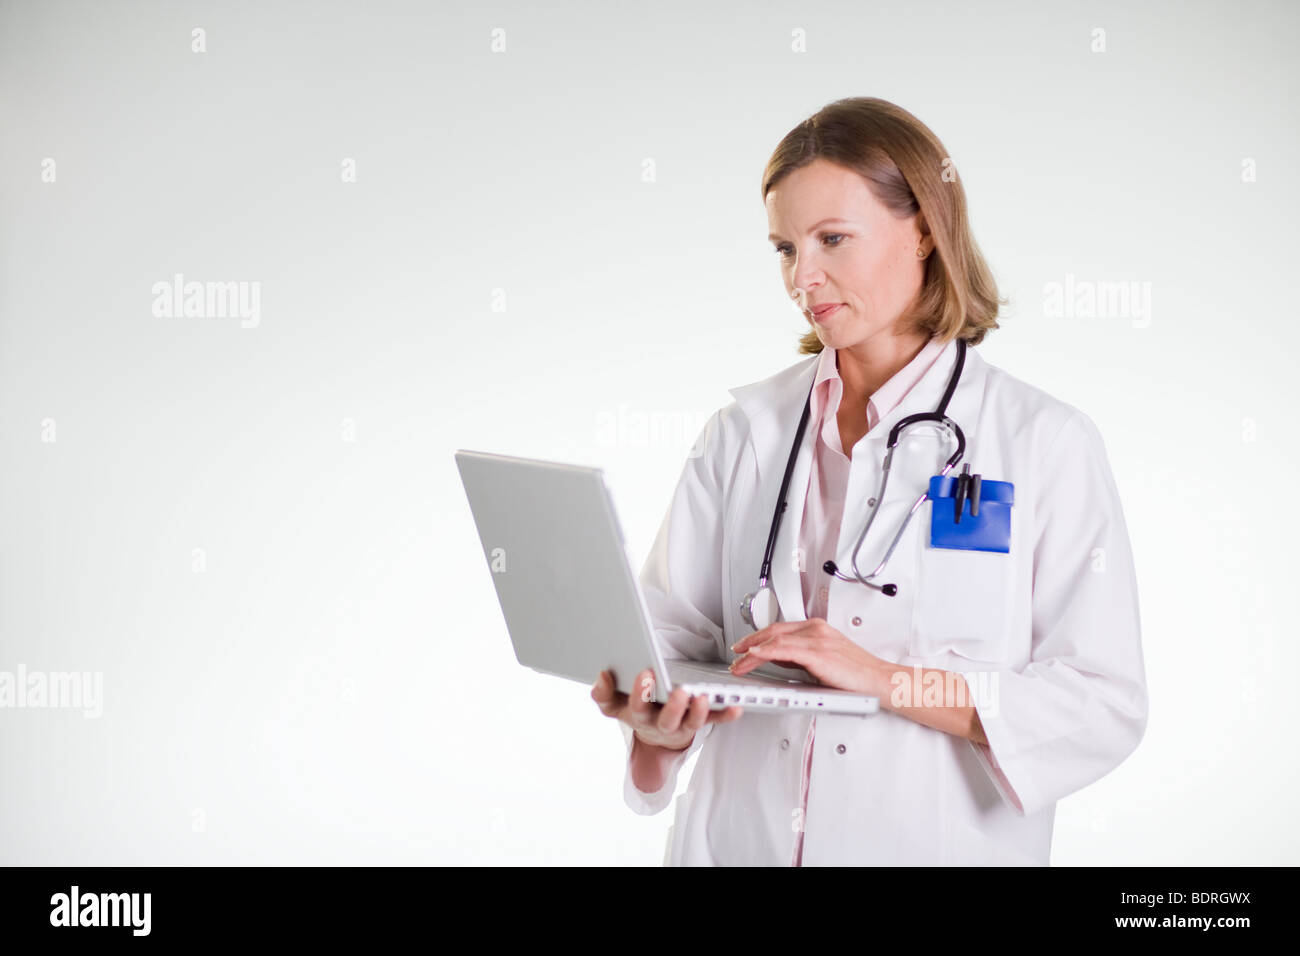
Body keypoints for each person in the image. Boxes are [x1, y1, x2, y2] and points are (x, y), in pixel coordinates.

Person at [590, 97, 1148, 866]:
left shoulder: (1042, 442)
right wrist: (656, 727)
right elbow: (673, 639)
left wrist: (886, 680)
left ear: (924, 229)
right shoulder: (744, 433)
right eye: (785, 248)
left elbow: (1100, 702)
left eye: (832, 239)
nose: (803, 277)